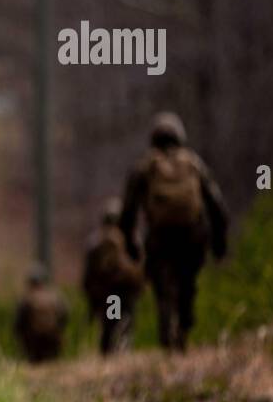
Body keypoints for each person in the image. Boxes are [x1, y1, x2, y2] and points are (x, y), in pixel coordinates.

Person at [119, 112, 228, 351]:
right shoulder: (193, 163)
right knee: (188, 283)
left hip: (160, 237)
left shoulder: (146, 166)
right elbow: (216, 204)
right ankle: (184, 329)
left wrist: (130, 243)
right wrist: (220, 241)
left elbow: (128, 209)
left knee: (163, 287)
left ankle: (168, 337)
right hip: (193, 235)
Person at [82, 198, 143, 355]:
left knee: (111, 322)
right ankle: (122, 350)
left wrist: (92, 298)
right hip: (126, 290)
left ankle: (109, 352)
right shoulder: (129, 239)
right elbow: (140, 263)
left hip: (110, 292)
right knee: (125, 320)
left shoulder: (96, 241)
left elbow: (89, 274)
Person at [13, 264, 68, 363]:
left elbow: (19, 323)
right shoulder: (55, 296)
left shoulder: (26, 299)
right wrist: (59, 331)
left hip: (34, 343)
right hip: (53, 340)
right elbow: (64, 315)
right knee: (52, 364)